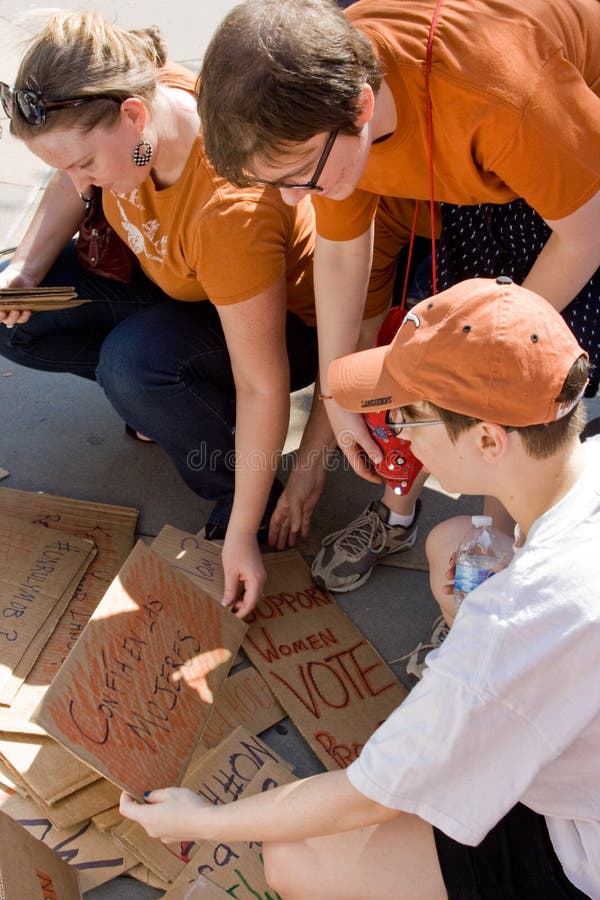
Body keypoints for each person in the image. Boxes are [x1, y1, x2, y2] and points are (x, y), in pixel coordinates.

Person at [120, 277, 599, 899]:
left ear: (487, 439)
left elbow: (364, 795)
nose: (394, 432)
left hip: (580, 848)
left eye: (406, 415)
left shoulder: (519, 621)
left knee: (296, 860)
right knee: (454, 539)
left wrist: (199, 821)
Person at [197, 0, 600, 590]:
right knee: (435, 368)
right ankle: (409, 519)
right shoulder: (328, 120)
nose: (292, 202)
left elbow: (587, 230)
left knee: (507, 389)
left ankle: (494, 568)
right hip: (474, 175)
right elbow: (341, 249)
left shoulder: (499, 95)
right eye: (276, 182)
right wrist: (337, 391)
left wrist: (480, 348)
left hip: (573, 181)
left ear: (360, 108)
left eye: (301, 177)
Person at [0, 9, 336, 617]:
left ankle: (234, 484)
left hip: (280, 329)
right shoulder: (138, 103)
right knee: (20, 321)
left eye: (85, 166)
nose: (79, 183)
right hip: (183, 284)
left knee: (133, 365)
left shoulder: (229, 208)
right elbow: (69, 186)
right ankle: (177, 400)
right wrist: (23, 273)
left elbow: (266, 384)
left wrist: (241, 529)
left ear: (133, 116)